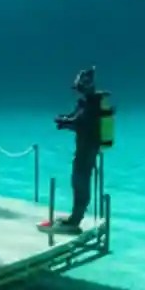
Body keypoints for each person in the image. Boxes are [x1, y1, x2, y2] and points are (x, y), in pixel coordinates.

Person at [53, 66, 108, 234]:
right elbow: (76, 118)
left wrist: (66, 123)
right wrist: (65, 120)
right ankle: (75, 217)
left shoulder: (92, 104)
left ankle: (75, 220)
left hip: (87, 148)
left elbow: (82, 124)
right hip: (86, 147)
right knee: (78, 180)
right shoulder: (87, 102)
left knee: (80, 181)